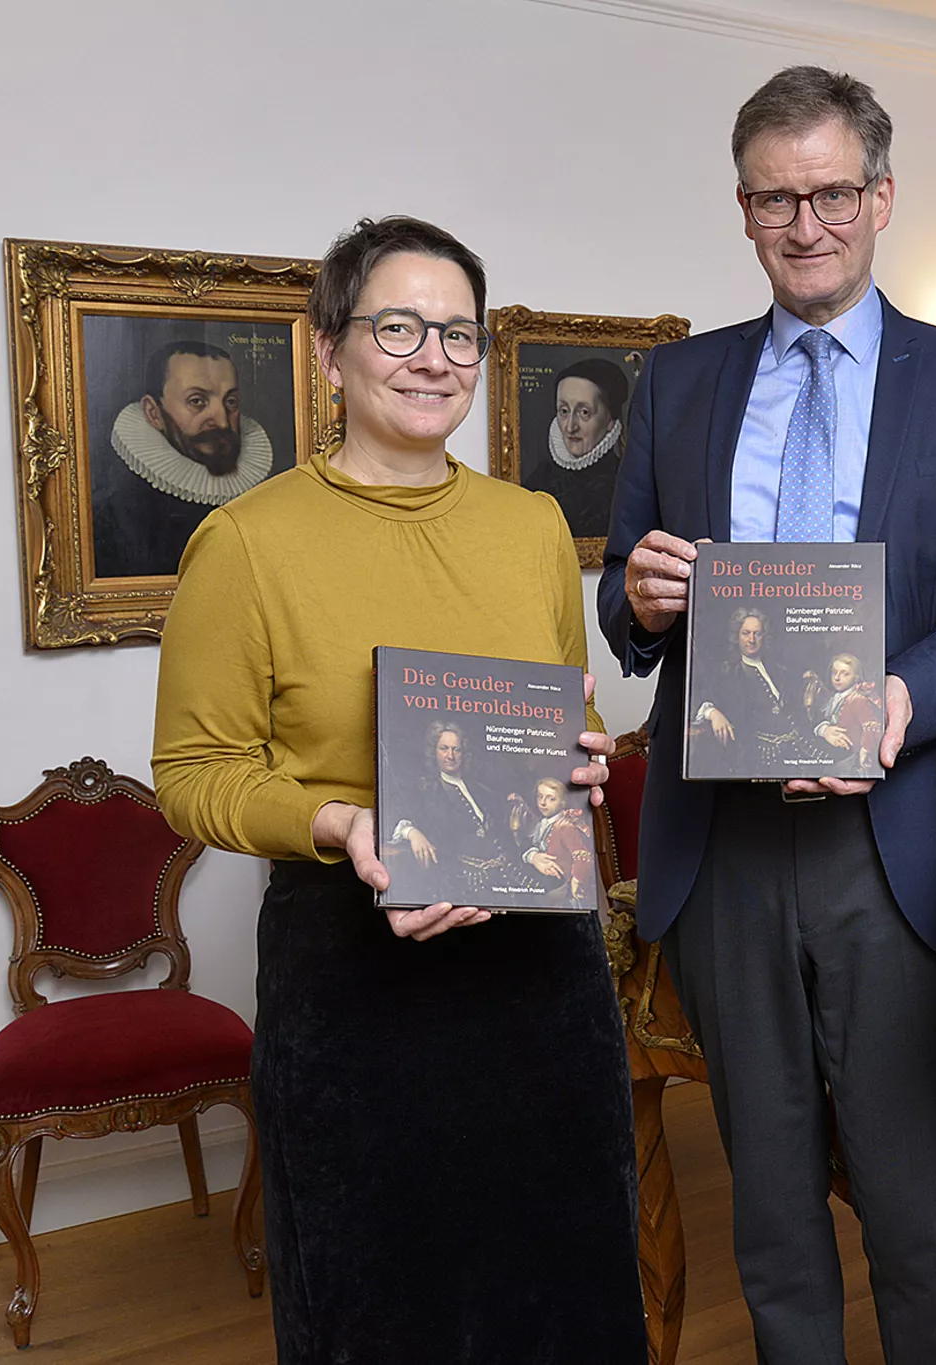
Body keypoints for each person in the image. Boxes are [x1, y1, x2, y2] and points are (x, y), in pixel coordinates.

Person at [597, 64, 936, 1364]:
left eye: (832, 193)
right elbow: (626, 600)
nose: (806, 225)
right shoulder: (676, 381)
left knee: (915, 1209)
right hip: (724, 849)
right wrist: (640, 597)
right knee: (771, 1210)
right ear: (742, 209)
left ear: (881, 197)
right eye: (775, 199)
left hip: (893, 847)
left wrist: (898, 698)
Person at [153, 216, 648, 1363]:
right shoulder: (246, 542)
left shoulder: (532, 526)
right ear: (329, 351)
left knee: (564, 1288)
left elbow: (560, 719)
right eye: (398, 328)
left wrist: (578, 758)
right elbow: (191, 775)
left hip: (540, 967)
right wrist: (339, 822)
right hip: (354, 967)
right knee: (378, 1300)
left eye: (458, 333)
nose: (434, 358)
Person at [92, 340, 278, 577]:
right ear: (153, 412)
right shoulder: (114, 518)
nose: (222, 422)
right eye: (197, 401)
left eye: (230, 402)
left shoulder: (266, 500)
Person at [384, 720, 514, 906]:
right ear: (434, 752)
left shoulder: (482, 790)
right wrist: (412, 832)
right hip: (458, 882)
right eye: (444, 749)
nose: (450, 756)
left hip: (502, 876)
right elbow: (391, 816)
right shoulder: (424, 790)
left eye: (456, 750)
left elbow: (502, 831)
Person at [688, 606, 811, 775]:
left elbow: (797, 709)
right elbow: (699, 697)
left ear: (763, 637)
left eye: (757, 634)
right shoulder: (726, 672)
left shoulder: (779, 670)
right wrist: (713, 712)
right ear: (736, 636)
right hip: (756, 756)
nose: (751, 639)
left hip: (796, 748)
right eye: (746, 633)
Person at [525, 355, 629, 540]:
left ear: (610, 421)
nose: (570, 427)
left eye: (584, 412)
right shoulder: (538, 480)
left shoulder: (625, 486)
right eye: (564, 411)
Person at [517, 775, 596, 907]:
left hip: (562, 887)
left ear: (562, 803)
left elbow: (583, 856)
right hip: (544, 881)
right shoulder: (542, 823)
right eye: (540, 797)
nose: (543, 802)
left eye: (551, 799)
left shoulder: (564, 826)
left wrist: (577, 879)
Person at [806, 650, 884, 768]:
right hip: (834, 752)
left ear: (856, 677)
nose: (837, 678)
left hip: (850, 757)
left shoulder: (857, 699)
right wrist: (824, 729)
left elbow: (871, 726)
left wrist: (865, 750)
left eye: (845, 674)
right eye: (834, 672)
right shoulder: (836, 697)